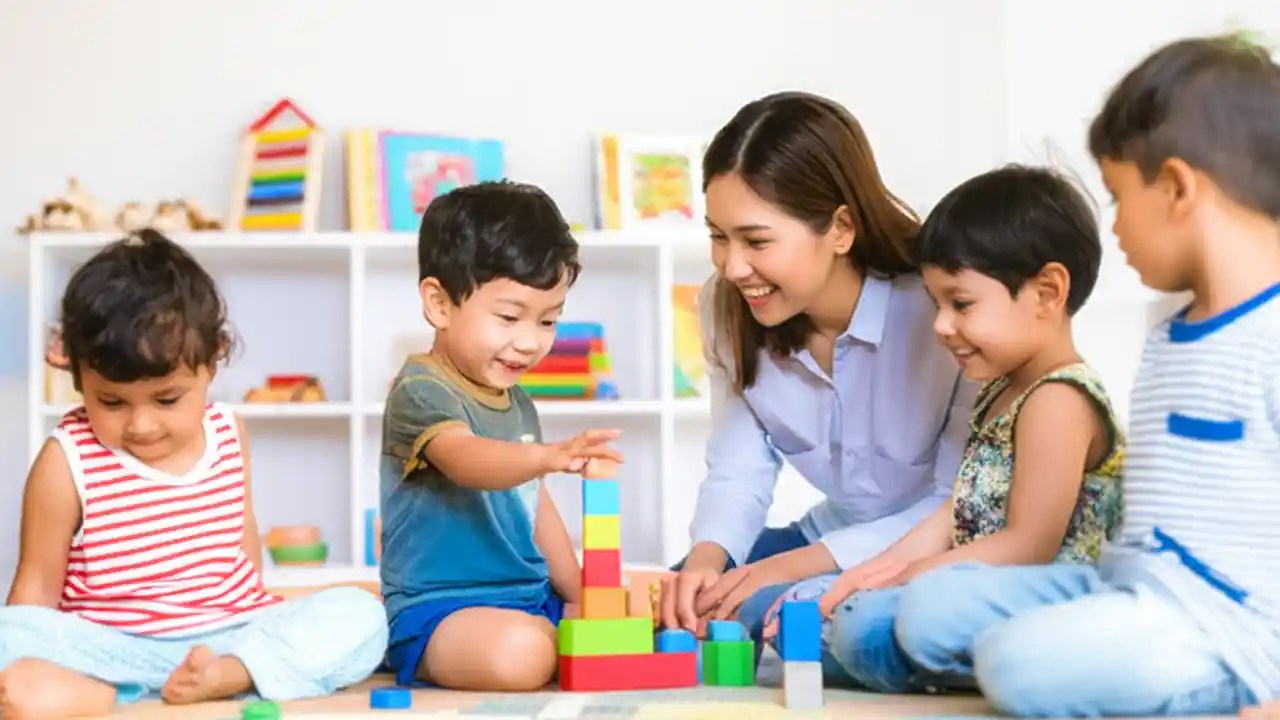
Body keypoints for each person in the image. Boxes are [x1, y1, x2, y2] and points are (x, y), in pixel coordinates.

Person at [881, 35, 1280, 717]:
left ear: (1179, 189)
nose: (1115, 227)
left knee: (1021, 664)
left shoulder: (1268, 338)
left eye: (1121, 197)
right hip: (1127, 586)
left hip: (1224, 628)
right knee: (927, 608)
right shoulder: (1169, 334)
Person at [759, 164, 1125, 692]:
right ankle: (886, 648)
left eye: (962, 304)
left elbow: (1028, 546)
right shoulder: (1001, 394)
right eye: (936, 303)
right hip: (973, 586)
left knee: (903, 617)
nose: (941, 325)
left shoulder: (1058, 399)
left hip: (1039, 594)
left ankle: (929, 658)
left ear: (1048, 292)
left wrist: (905, 579)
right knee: (813, 602)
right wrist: (868, 573)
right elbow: (954, 517)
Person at [0, 230, 387, 720]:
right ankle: (119, 690)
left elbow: (242, 540)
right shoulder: (66, 459)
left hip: (230, 635)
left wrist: (255, 623)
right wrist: (21, 651)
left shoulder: (229, 432)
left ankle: (233, 674)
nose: (140, 425)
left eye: (166, 399)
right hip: (113, 649)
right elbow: (34, 591)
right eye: (110, 402)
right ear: (74, 372)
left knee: (363, 614)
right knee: (9, 634)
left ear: (214, 360)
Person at [660, 91, 979, 638]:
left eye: (756, 240)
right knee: (678, 606)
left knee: (798, 619)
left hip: (935, 544)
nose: (732, 266)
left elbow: (953, 503)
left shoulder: (940, 312)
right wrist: (709, 557)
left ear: (840, 229)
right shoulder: (724, 309)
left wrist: (785, 569)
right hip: (826, 538)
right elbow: (739, 469)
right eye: (717, 236)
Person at [379, 181, 623, 691]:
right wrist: (548, 456)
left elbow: (535, 508)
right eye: (510, 317)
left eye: (549, 320)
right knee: (520, 654)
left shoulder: (517, 402)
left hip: (528, 597)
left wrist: (584, 591)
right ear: (439, 304)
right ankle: (437, 656)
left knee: (637, 606)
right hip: (440, 609)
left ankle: (560, 636)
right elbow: (469, 461)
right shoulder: (420, 389)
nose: (531, 342)